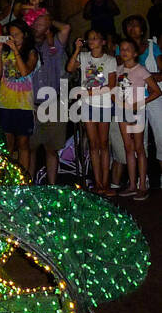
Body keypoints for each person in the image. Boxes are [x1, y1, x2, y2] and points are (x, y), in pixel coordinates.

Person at [66, 29, 117, 194]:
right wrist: (77, 49)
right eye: (90, 38)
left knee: (103, 144)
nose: (92, 40)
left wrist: (88, 92)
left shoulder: (109, 60)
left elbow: (110, 85)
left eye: (96, 38)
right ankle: (98, 183)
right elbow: (69, 68)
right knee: (93, 145)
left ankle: (106, 182)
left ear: (102, 42)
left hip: (104, 104)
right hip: (88, 105)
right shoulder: (84, 56)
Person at [115, 38, 161, 200]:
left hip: (137, 112)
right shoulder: (119, 69)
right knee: (128, 148)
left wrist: (140, 103)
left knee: (139, 147)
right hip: (122, 112)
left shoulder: (141, 70)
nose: (124, 51)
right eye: (122, 48)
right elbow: (116, 90)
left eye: (128, 49)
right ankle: (132, 185)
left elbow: (156, 91)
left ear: (135, 53)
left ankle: (142, 185)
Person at [28, 9, 71, 185]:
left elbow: (66, 28)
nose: (39, 24)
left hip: (54, 102)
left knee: (51, 149)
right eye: (36, 21)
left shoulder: (53, 46)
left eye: (42, 21)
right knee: (29, 148)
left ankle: (52, 185)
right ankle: (28, 185)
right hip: (30, 104)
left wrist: (48, 19)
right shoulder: (27, 46)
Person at [121, 16, 162, 185]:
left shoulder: (153, 47)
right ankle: (140, 179)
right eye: (128, 25)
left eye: (135, 25)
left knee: (160, 134)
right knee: (139, 140)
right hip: (133, 98)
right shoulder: (122, 48)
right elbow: (122, 73)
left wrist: (143, 76)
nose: (131, 28)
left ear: (143, 28)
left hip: (153, 96)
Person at [0, 19, 37, 173]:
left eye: (16, 35)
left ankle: (23, 179)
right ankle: (7, 177)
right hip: (5, 104)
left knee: (23, 143)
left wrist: (16, 51)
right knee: (7, 144)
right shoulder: (6, 52)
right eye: (11, 35)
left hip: (23, 104)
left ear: (24, 35)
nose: (13, 38)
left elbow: (25, 71)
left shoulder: (31, 52)